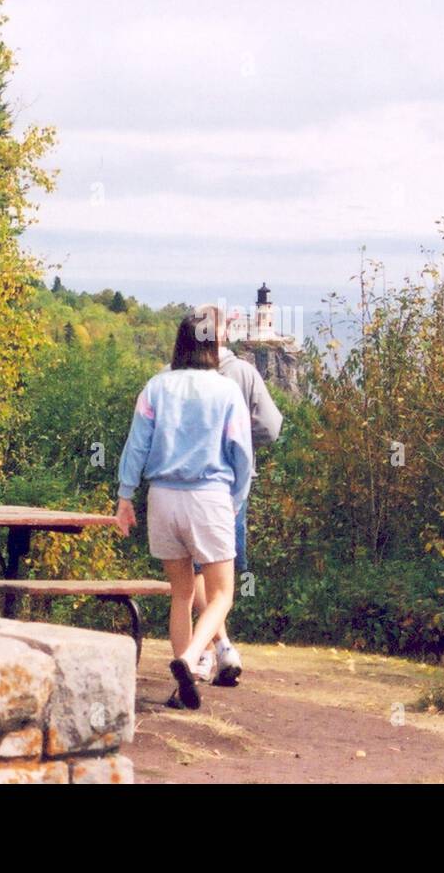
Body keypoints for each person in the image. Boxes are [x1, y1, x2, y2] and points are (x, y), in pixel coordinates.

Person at [116, 312, 254, 710]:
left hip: (162, 496)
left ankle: (183, 686)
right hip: (209, 495)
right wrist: (235, 501)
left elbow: (136, 445)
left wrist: (126, 495)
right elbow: (241, 454)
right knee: (223, 594)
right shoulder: (227, 391)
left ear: (179, 343)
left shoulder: (156, 387)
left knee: (181, 593)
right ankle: (190, 658)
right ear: (213, 346)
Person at [186, 303, 282, 687]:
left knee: (193, 572)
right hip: (233, 486)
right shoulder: (243, 373)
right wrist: (242, 442)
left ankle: (212, 650)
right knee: (221, 572)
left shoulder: (177, 376)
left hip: (186, 483)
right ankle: (217, 648)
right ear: (223, 334)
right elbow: (271, 428)